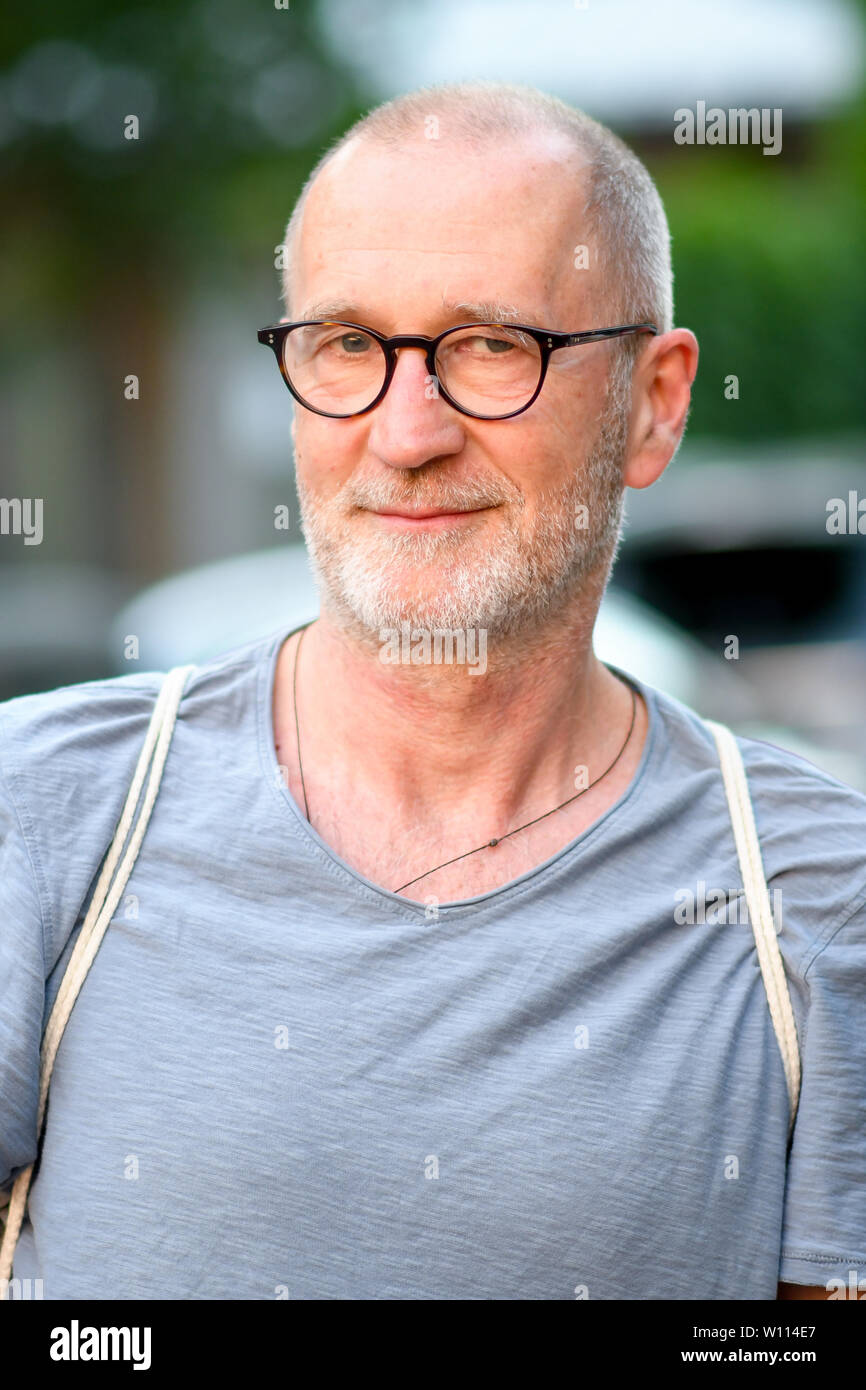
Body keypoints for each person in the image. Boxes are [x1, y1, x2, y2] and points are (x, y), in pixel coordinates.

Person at [1, 81, 864, 1301]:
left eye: (490, 345)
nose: (407, 432)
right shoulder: (43, 820)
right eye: (348, 345)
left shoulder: (819, 898)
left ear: (653, 405)